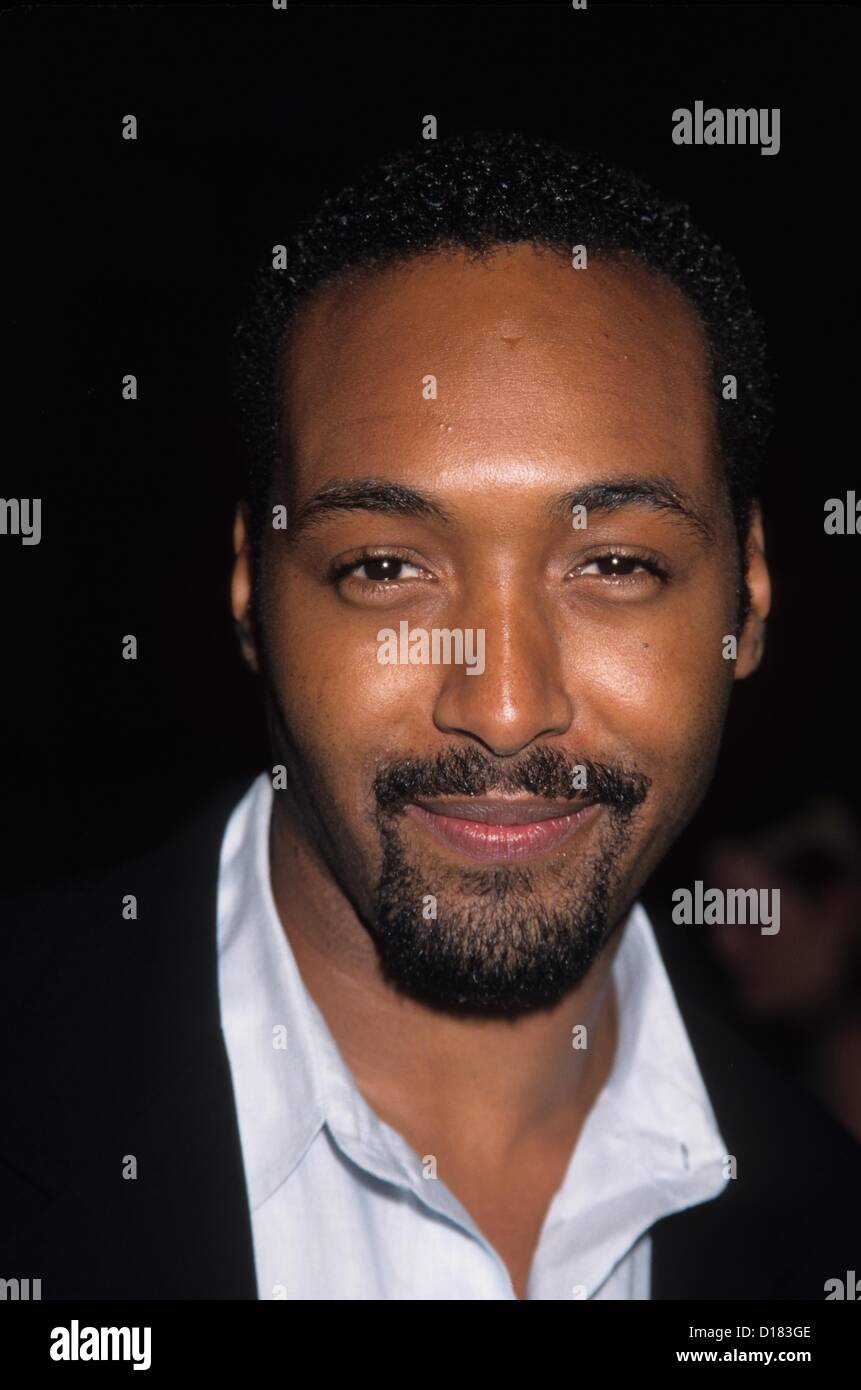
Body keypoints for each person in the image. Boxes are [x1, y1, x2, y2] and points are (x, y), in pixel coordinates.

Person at [2, 131, 858, 1301]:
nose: (504, 708)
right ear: (253, 594)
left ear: (748, 598)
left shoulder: (824, 1227)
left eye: (612, 563)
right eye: (385, 568)